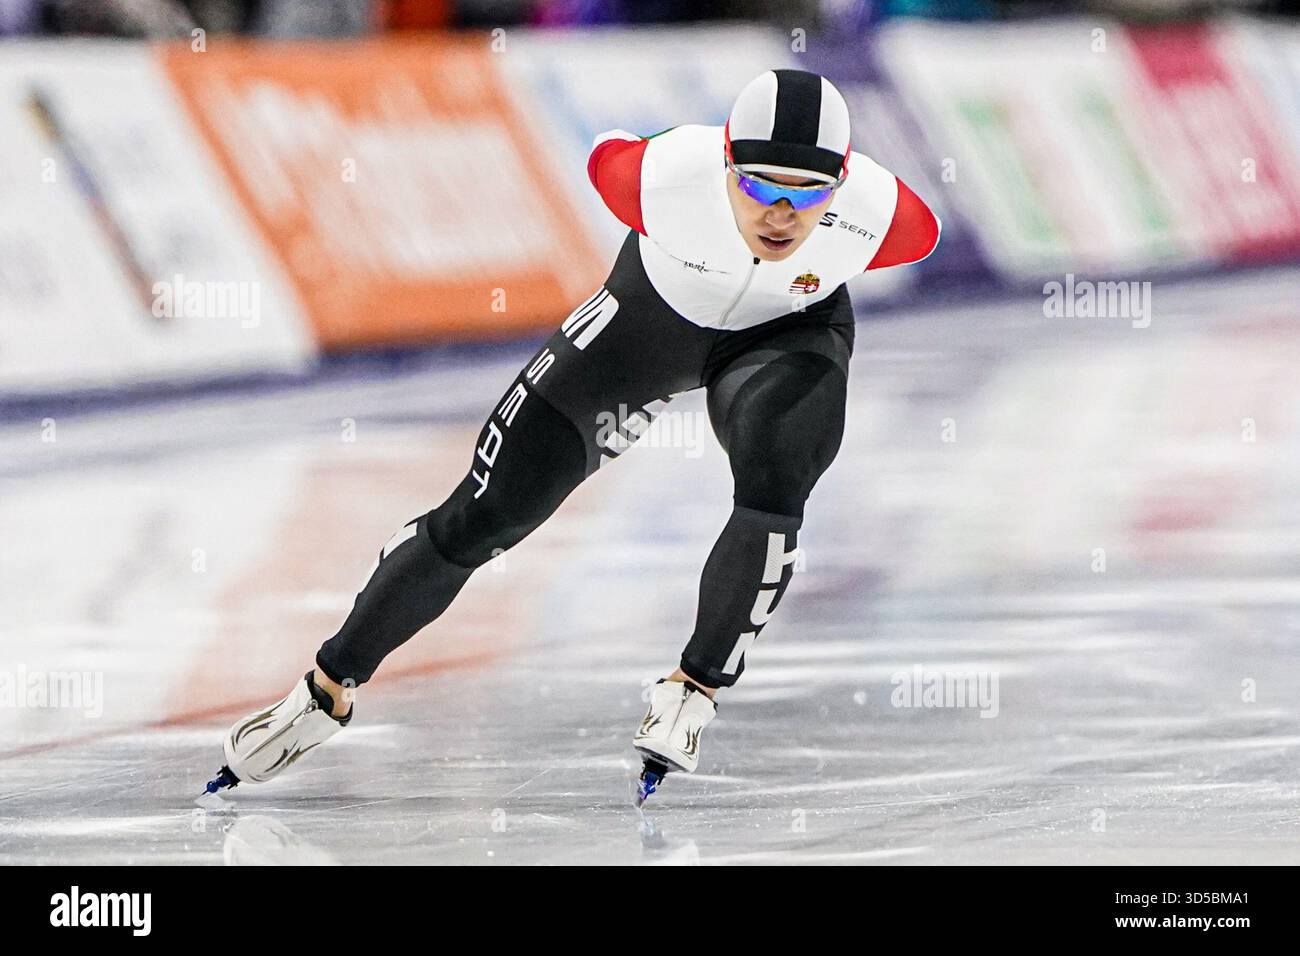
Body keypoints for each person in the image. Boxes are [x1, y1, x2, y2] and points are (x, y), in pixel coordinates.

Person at [204, 68, 940, 804]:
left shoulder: (886, 217)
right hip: (646, 328)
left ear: (841, 187)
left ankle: (694, 690)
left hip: (785, 336)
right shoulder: (659, 177)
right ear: (723, 164)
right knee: (488, 514)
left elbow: (921, 234)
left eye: (807, 194)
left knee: (778, 481)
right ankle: (323, 690)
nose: (780, 213)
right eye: (757, 186)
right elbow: (604, 154)